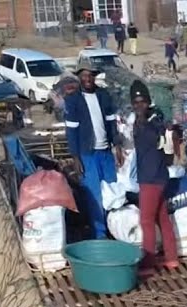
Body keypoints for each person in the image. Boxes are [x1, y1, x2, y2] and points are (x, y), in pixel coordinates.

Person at [63, 63, 121, 240]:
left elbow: (111, 122)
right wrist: (75, 157)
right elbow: (71, 131)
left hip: (105, 152)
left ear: (94, 77)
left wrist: (117, 145)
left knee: (112, 191)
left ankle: (116, 228)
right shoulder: (73, 100)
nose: (87, 79)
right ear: (79, 78)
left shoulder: (103, 95)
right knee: (94, 195)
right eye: (84, 76)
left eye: (90, 75)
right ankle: (100, 234)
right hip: (87, 154)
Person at [129, 80, 179, 274]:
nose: (139, 105)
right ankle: (172, 258)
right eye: (136, 102)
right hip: (159, 177)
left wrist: (143, 119)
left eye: (142, 101)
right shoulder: (149, 120)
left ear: (148, 102)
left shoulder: (150, 123)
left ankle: (148, 264)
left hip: (150, 179)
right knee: (162, 217)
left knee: (146, 221)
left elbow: (155, 136)